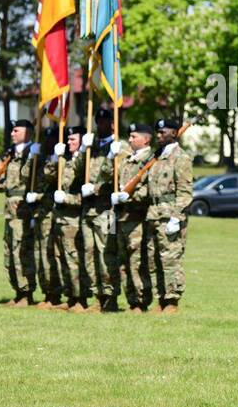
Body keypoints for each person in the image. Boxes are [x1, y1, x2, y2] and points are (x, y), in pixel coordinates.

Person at [0, 119, 36, 306]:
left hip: (24, 211)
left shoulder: (33, 154)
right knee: (9, 251)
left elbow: (28, 179)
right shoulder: (13, 154)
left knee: (21, 251)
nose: (12, 134)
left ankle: (26, 293)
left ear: (28, 132)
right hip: (9, 210)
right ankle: (17, 291)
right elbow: (10, 183)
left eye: (16, 130)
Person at [144, 117, 193, 314]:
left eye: (163, 132)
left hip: (170, 215)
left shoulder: (181, 158)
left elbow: (185, 192)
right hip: (153, 214)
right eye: (157, 132)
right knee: (153, 258)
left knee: (170, 259)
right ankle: (160, 299)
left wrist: (176, 216)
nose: (159, 135)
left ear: (174, 132)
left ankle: (172, 301)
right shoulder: (156, 157)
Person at [79, 109, 122, 312]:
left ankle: (110, 297)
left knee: (107, 255)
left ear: (113, 124)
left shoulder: (120, 147)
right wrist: (81, 150)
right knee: (89, 256)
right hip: (88, 210)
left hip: (107, 210)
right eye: (98, 121)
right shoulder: (92, 148)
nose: (100, 125)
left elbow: (119, 176)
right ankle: (97, 296)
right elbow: (77, 172)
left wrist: (95, 188)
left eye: (104, 121)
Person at [111, 123, 155, 313]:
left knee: (137, 260)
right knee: (124, 262)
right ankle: (131, 299)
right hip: (122, 217)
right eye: (129, 136)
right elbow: (112, 178)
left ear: (146, 139)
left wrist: (131, 196)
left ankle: (141, 301)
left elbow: (151, 189)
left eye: (134, 136)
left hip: (138, 218)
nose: (129, 140)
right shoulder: (127, 160)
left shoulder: (152, 160)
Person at [49, 126, 91, 312]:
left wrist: (66, 198)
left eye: (73, 139)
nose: (69, 142)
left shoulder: (85, 163)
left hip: (74, 218)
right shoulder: (64, 161)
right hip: (60, 217)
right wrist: (53, 158)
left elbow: (86, 196)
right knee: (62, 259)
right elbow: (48, 176)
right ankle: (70, 297)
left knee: (75, 259)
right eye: (68, 139)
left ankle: (80, 298)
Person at [26, 126, 66, 310]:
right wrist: (30, 157)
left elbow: (52, 181)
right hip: (40, 213)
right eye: (46, 139)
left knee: (51, 254)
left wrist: (57, 159)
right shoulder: (40, 160)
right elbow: (26, 176)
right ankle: (46, 292)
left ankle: (55, 293)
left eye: (52, 140)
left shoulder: (61, 161)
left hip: (52, 212)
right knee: (39, 253)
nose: (48, 143)